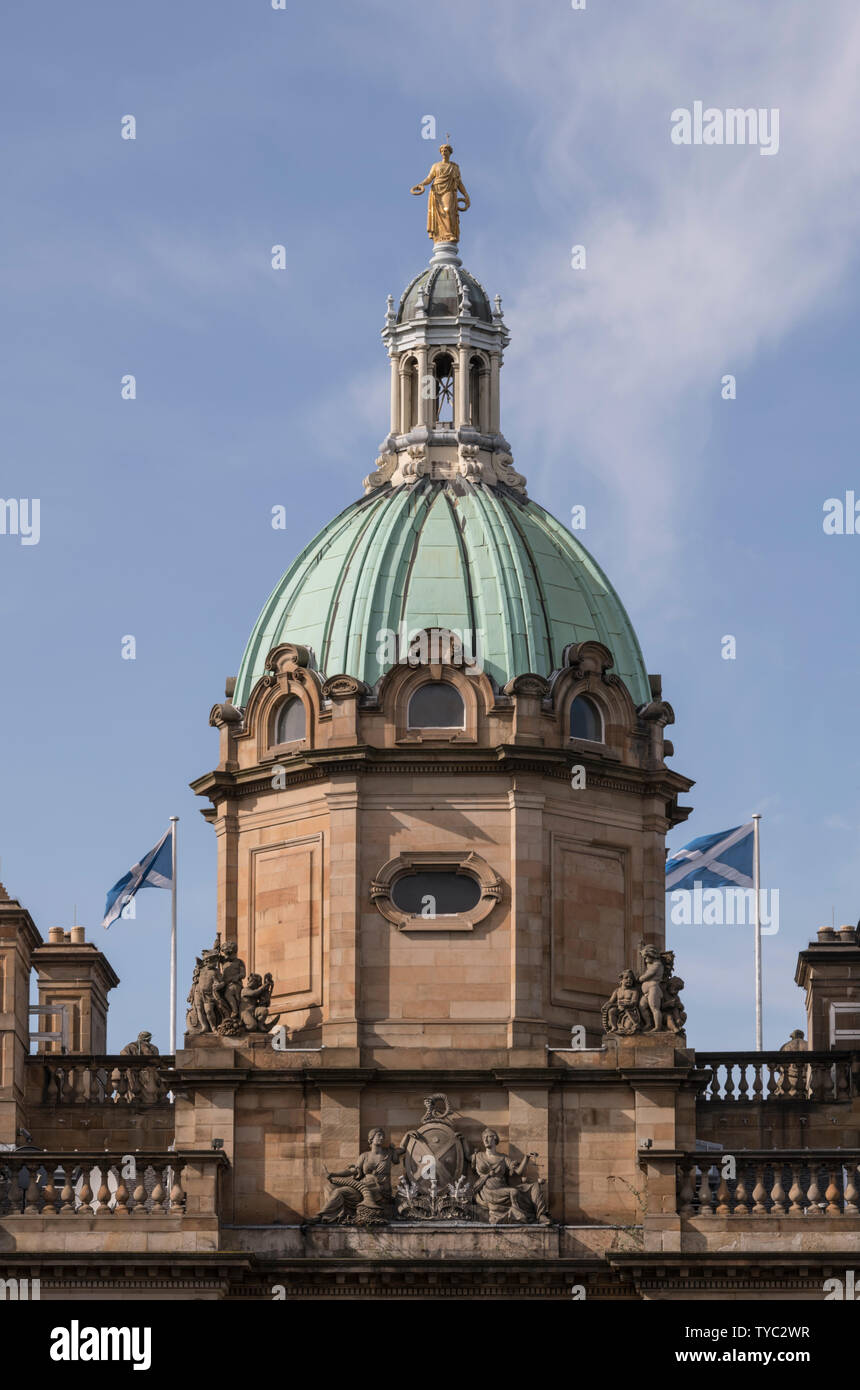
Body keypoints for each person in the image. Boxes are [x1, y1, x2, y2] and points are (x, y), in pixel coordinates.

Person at [471, 1128, 549, 1225]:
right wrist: (460, 1140)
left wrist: (526, 1157)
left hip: (502, 1188)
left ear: (495, 1139)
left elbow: (518, 1171)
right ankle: (518, 1214)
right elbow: (463, 1157)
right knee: (513, 1191)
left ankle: (541, 1215)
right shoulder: (478, 1156)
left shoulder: (503, 1157)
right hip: (488, 1191)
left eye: (488, 1136)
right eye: (484, 1138)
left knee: (535, 1186)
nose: (485, 1139)